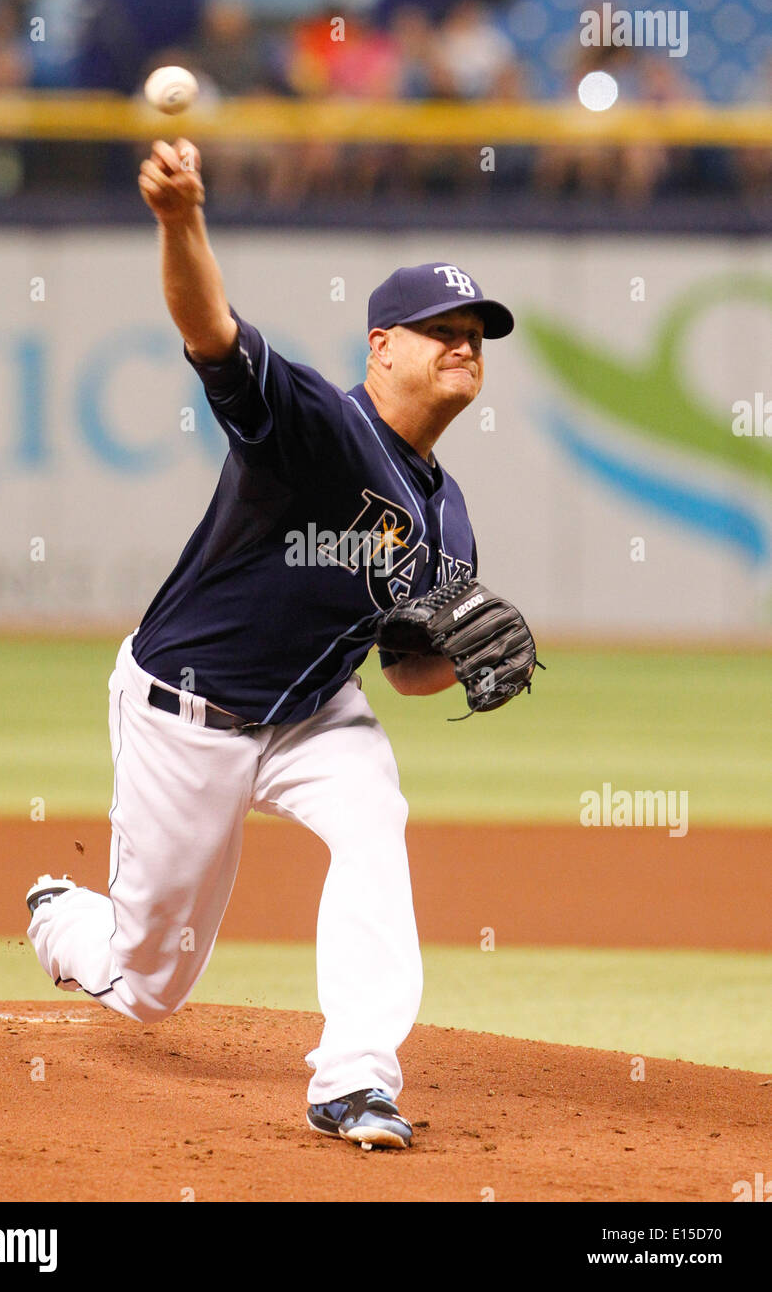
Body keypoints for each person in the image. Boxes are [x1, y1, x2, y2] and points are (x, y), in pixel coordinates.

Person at [25, 137, 516, 1150]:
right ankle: (58, 912)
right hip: (186, 707)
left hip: (314, 712)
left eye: (474, 332)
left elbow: (407, 668)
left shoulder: (448, 511)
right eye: (439, 328)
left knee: (374, 818)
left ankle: (352, 1080)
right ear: (380, 346)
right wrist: (178, 218)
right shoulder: (317, 428)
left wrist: (463, 658)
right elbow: (210, 331)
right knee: (145, 986)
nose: (462, 343)